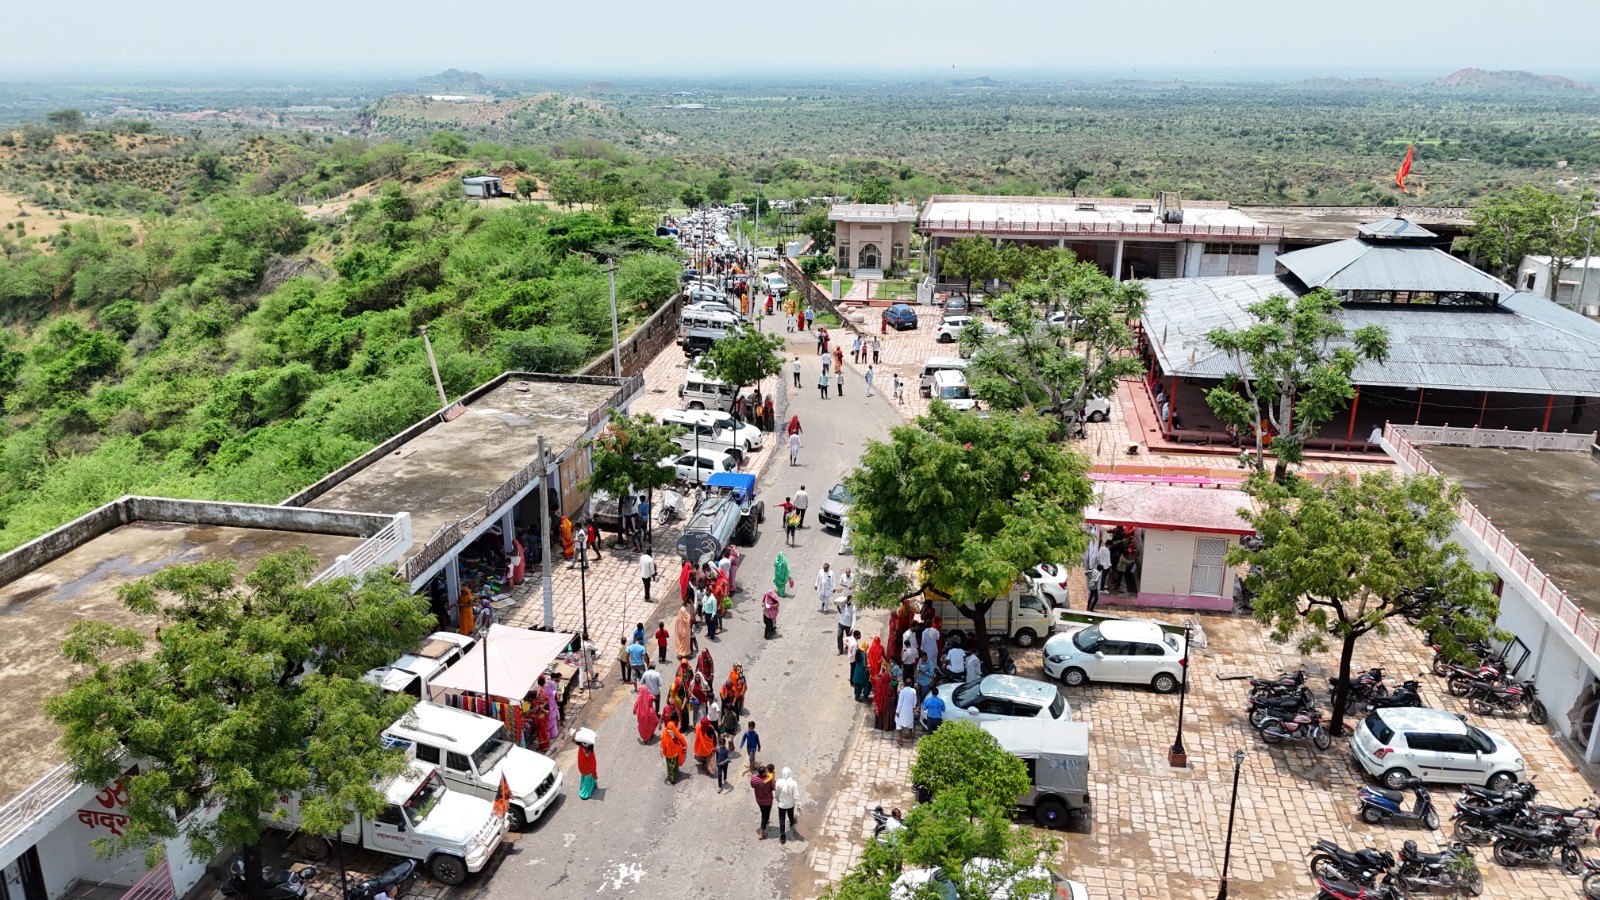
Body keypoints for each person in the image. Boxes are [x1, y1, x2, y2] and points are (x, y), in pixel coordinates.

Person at [774, 767, 800, 844]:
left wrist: (777, 798)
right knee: (790, 813)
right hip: (790, 804)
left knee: (782, 819)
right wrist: (799, 804)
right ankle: (791, 822)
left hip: (781, 805)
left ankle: (782, 836)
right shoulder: (794, 783)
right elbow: (796, 795)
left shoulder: (778, 782)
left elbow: (777, 792)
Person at [751, 764, 776, 839]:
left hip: (759, 799)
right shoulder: (768, 780)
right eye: (766, 771)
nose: (767, 772)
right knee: (765, 815)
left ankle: (767, 820)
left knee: (763, 810)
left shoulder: (754, 779)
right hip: (767, 799)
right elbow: (773, 787)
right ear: (764, 773)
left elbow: (752, 786)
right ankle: (762, 832)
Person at [661, 719, 687, 785]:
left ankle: (672, 779)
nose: (669, 730)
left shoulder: (675, 734)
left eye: (671, 729)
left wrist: (683, 748)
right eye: (669, 729)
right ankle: (672, 777)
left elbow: (681, 740)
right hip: (668, 752)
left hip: (674, 752)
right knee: (670, 766)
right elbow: (662, 742)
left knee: (673, 766)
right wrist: (661, 750)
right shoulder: (665, 732)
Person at [575, 728, 598, 800]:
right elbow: (573, 740)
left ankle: (585, 794)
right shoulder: (582, 746)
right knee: (586, 778)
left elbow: (587, 755)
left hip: (588, 767)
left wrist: (583, 749)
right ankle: (591, 787)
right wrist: (575, 732)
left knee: (587, 779)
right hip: (583, 766)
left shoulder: (588, 749)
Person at [872, 664, 895, 731]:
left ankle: (879, 725)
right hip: (887, 702)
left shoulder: (879, 681)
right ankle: (887, 726)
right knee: (887, 713)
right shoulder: (889, 685)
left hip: (879, 701)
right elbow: (892, 694)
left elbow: (876, 691)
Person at [849, 632, 871, 702]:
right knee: (867, 685)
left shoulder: (858, 651)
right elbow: (864, 665)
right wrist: (869, 666)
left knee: (857, 686)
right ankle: (865, 697)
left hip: (857, 671)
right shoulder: (863, 654)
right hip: (862, 673)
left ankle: (857, 696)